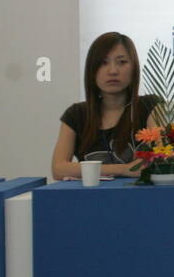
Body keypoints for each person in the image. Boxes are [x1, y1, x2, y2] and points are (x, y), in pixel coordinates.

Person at [51, 32, 159, 179]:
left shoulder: (149, 105)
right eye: (103, 63)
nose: (113, 71)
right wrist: (124, 169)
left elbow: (164, 156)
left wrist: (89, 170)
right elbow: (59, 169)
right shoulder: (76, 114)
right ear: (92, 70)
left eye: (122, 62)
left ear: (134, 68)